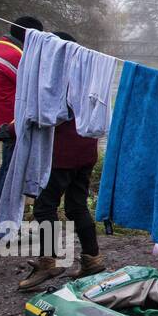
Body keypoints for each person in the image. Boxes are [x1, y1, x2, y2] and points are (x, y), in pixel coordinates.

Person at [18, 31, 103, 291]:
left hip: (62, 154)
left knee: (45, 207)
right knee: (77, 206)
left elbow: (44, 113)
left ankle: (48, 262)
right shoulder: (88, 75)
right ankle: (92, 259)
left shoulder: (56, 77)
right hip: (86, 150)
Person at [0, 15, 43, 281]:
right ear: (30, 37)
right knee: (7, 191)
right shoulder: (11, 57)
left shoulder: (4, 52)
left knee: (11, 189)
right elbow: (33, 95)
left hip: (13, 128)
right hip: (14, 130)